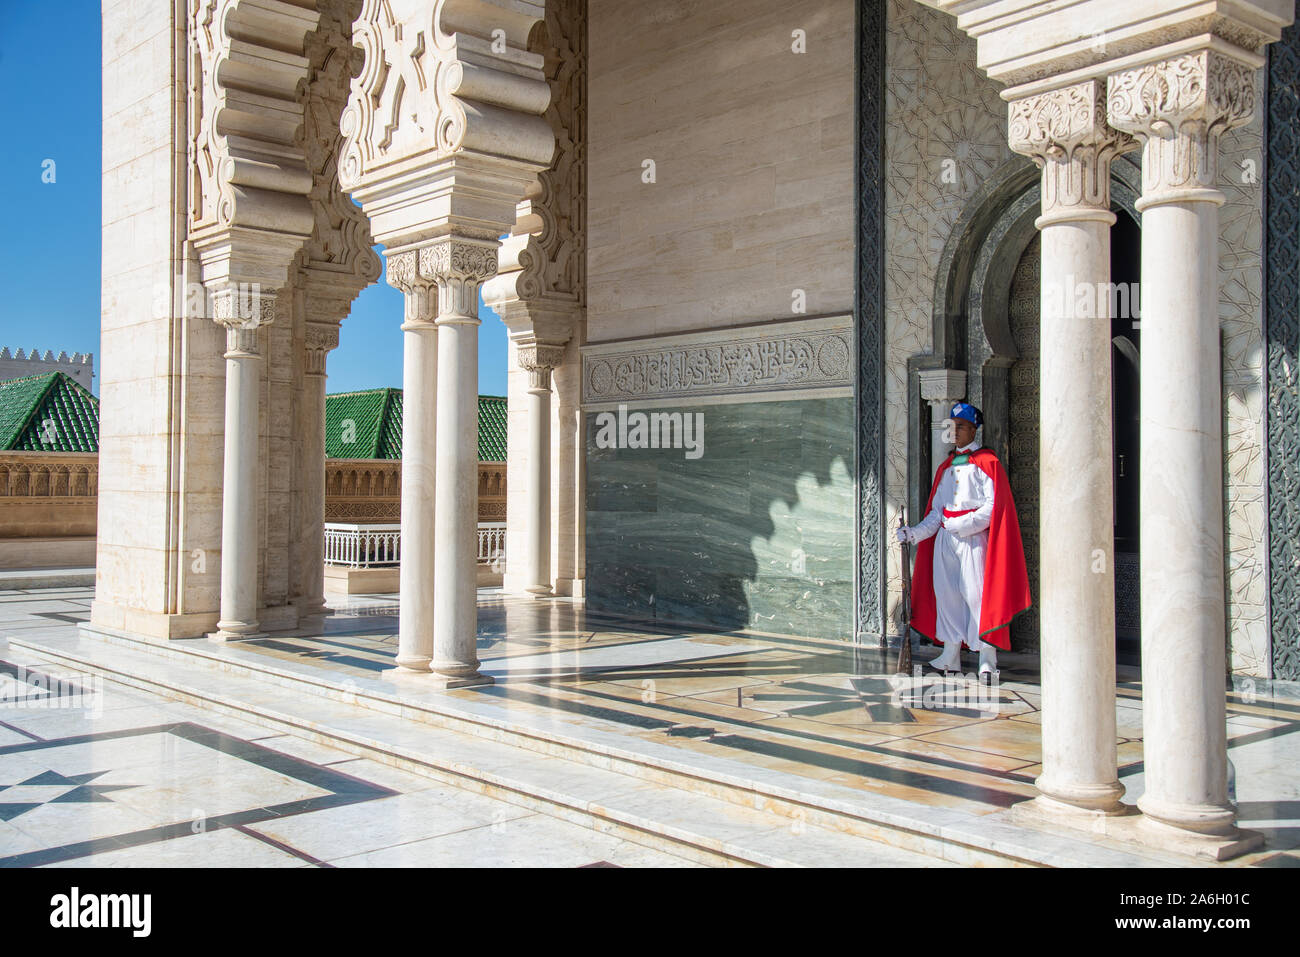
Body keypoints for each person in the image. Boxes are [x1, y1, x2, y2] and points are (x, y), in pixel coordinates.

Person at [896, 402, 1030, 681]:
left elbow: (994, 507)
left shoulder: (987, 463)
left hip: (973, 541)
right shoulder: (946, 467)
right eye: (952, 427)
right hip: (946, 540)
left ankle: (987, 658)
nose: (955, 432)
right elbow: (936, 512)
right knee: (948, 596)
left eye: (961, 427)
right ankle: (951, 654)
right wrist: (915, 533)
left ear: (973, 429)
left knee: (976, 597)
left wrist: (965, 524)